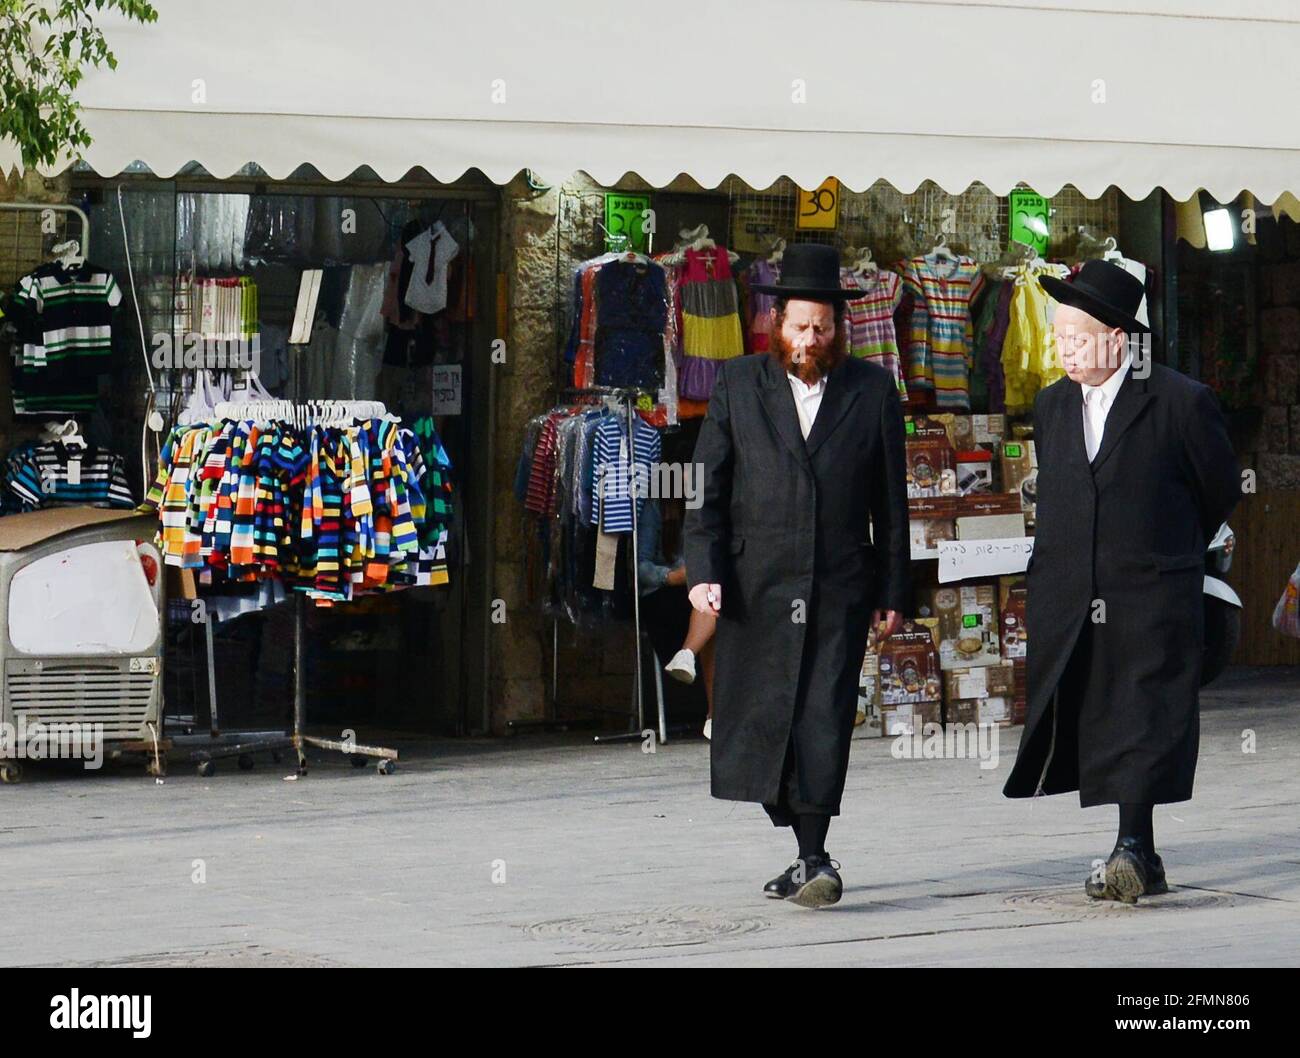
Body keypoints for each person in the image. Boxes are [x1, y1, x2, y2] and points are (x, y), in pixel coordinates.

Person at [1002, 260, 1242, 904]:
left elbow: (1218, 487)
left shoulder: (1179, 400)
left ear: (1116, 338)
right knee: (1099, 713)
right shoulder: (1053, 404)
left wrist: (1166, 542)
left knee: (1143, 714)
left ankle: (1131, 845)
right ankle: (1142, 852)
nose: (1063, 350)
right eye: (1059, 338)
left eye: (1075, 339)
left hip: (1152, 590)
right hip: (1071, 589)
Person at [683, 243, 911, 909]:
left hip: (839, 587)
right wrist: (703, 570)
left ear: (838, 329)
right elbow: (705, 489)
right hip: (756, 587)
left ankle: (814, 857)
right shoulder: (737, 384)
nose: (810, 339)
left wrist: (894, 591)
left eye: (823, 328)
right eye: (799, 326)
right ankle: (804, 846)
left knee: (821, 718)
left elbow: (891, 504)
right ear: (775, 324)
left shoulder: (871, 391)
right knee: (751, 725)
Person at [636, 497, 716, 737]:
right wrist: (672, 577)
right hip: (665, 595)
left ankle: (687, 655)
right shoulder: (656, 507)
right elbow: (639, 567)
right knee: (712, 608)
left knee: (713, 607)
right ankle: (713, 715)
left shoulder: (707, 503)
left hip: (699, 594)